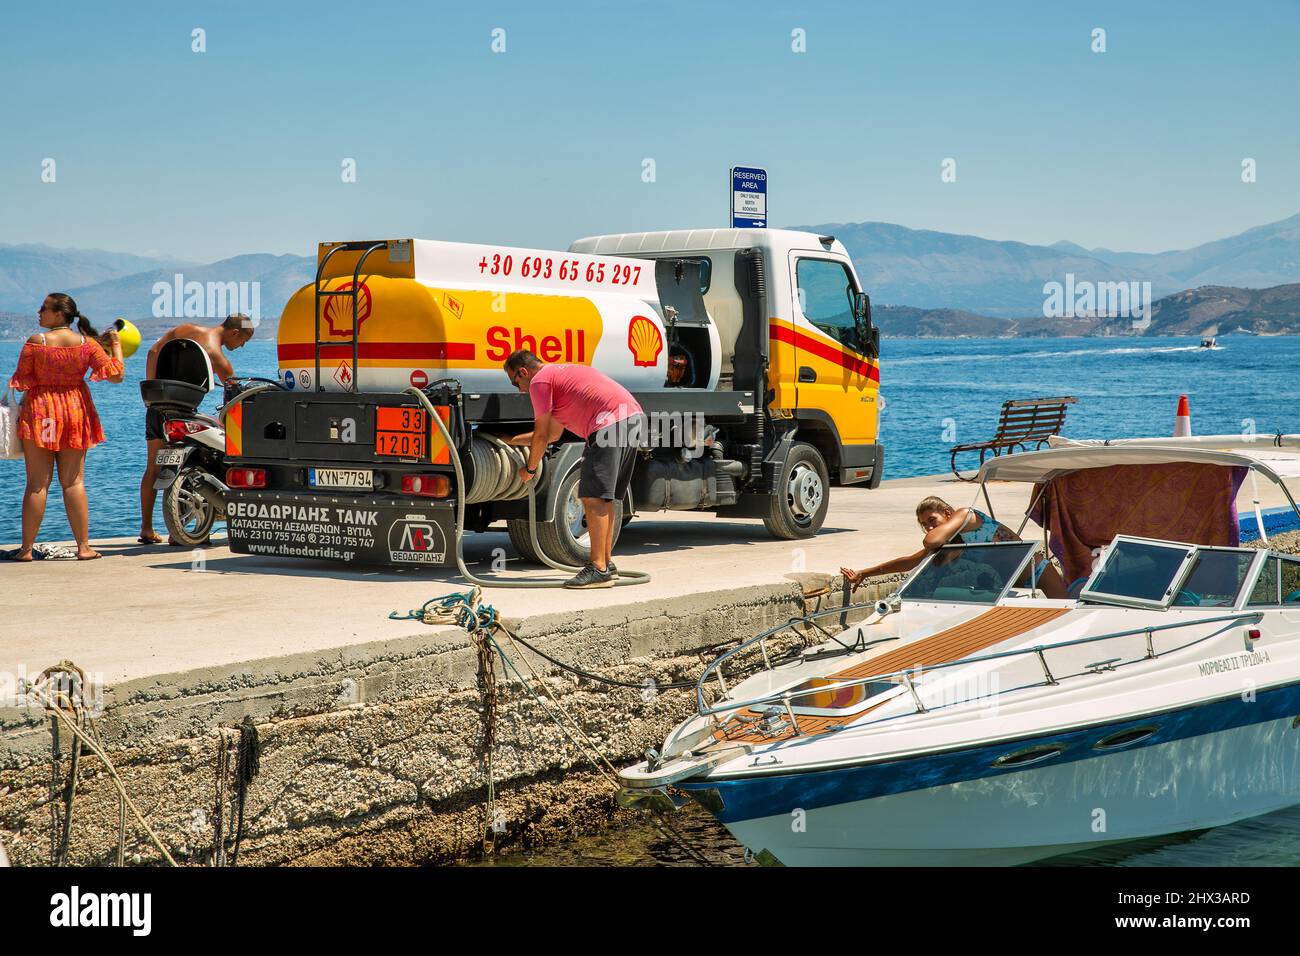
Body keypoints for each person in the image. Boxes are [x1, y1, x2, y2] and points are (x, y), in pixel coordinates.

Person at [504, 349, 645, 589]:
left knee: (593, 498)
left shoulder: (540, 381)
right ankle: (607, 565)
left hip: (608, 423)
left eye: (515, 381)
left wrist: (530, 468)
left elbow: (540, 434)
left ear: (523, 371)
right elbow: (552, 435)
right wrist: (512, 440)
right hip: (631, 418)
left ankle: (598, 568)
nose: (519, 389)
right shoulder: (561, 377)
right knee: (605, 499)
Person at [4, 293, 124, 561]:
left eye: (44, 308)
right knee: (74, 482)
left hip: (42, 411)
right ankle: (83, 547)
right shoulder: (87, 344)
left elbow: (22, 380)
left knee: (37, 484)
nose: (39, 312)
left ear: (59, 314)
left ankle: (26, 550)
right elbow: (116, 375)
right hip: (75, 411)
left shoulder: (37, 342)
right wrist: (115, 345)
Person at [138, 314, 253, 544]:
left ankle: (147, 528)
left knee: (152, 468)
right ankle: (180, 530)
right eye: (243, 341)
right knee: (200, 462)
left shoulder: (185, 329)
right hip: (185, 415)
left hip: (157, 409)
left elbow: (152, 352)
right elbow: (235, 396)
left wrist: (153, 389)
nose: (241, 346)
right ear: (234, 333)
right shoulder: (218, 357)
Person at [840, 495, 1068, 599]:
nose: (929, 528)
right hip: (1010, 585)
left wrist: (934, 533)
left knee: (1068, 616)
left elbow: (930, 542)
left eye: (931, 520)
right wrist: (865, 573)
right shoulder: (952, 540)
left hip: (1037, 571)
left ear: (947, 514)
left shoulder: (966, 515)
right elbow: (912, 560)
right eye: (924, 524)